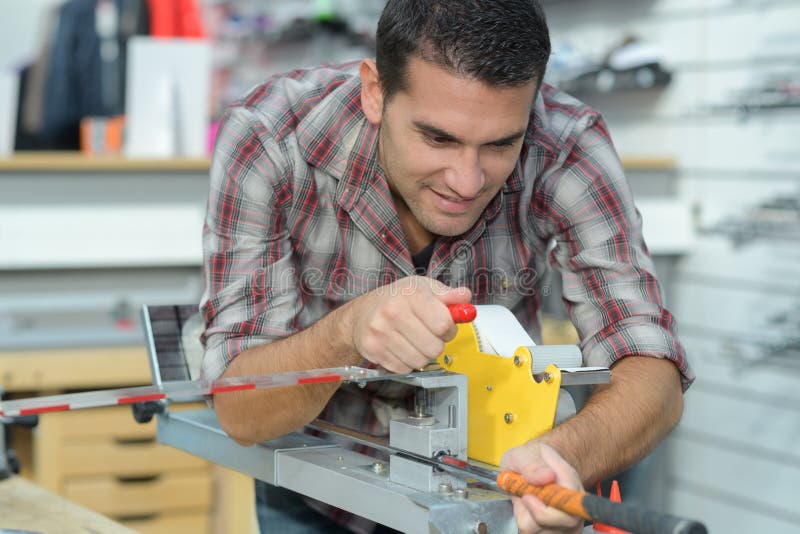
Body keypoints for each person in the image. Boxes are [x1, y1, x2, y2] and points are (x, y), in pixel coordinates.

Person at [200, 1, 694, 533]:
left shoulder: (566, 144)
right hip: (318, 490)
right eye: (438, 138)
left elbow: (650, 366)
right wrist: (346, 332)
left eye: (501, 144)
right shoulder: (270, 138)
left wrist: (560, 454)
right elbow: (239, 411)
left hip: (483, 491)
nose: (466, 180)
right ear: (375, 91)